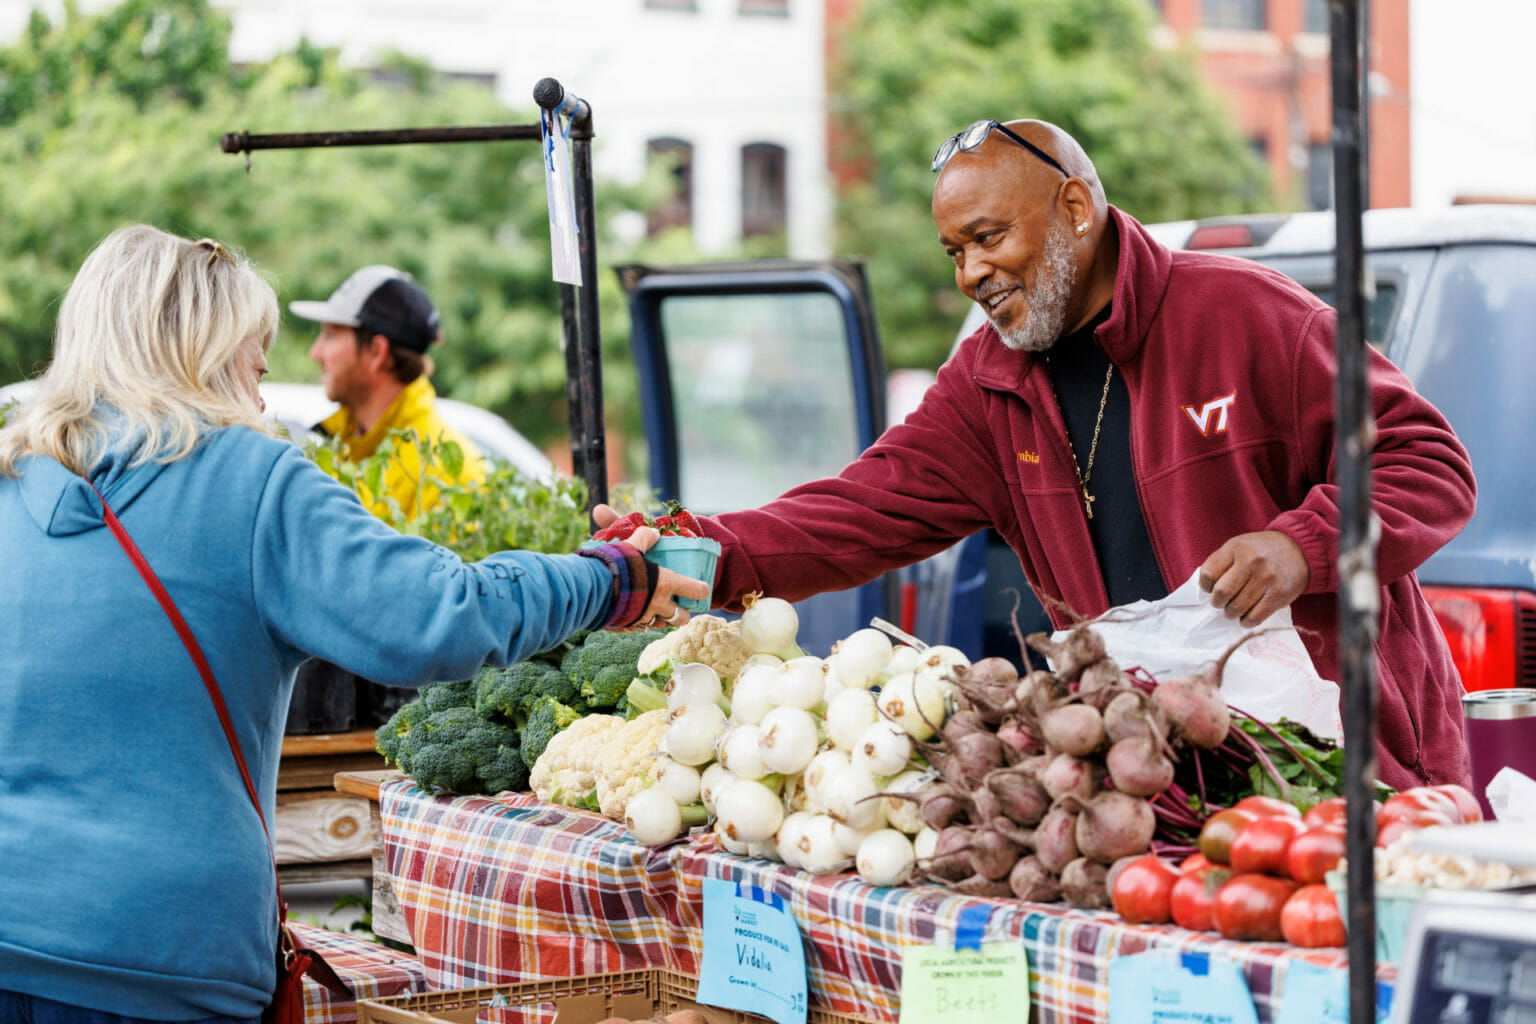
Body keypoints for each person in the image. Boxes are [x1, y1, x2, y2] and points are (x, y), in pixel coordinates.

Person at [597, 118, 1476, 792]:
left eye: (988, 238)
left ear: (1077, 210)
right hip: (1164, 778)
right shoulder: (983, 386)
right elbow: (846, 515)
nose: (970, 274)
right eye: (954, 252)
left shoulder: (1249, 317)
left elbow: (1426, 459)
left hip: (1347, 763)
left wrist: (1303, 545)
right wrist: (685, 550)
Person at [0, 224, 706, 1023]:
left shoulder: (8, 479)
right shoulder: (246, 478)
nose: (261, 399)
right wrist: (610, 578)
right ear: (199, 353)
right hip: (153, 962)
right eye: (252, 366)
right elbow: (440, 618)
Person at [289, 264, 485, 518]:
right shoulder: (337, 448)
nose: (315, 353)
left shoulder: (452, 475)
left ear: (376, 352)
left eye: (330, 335)